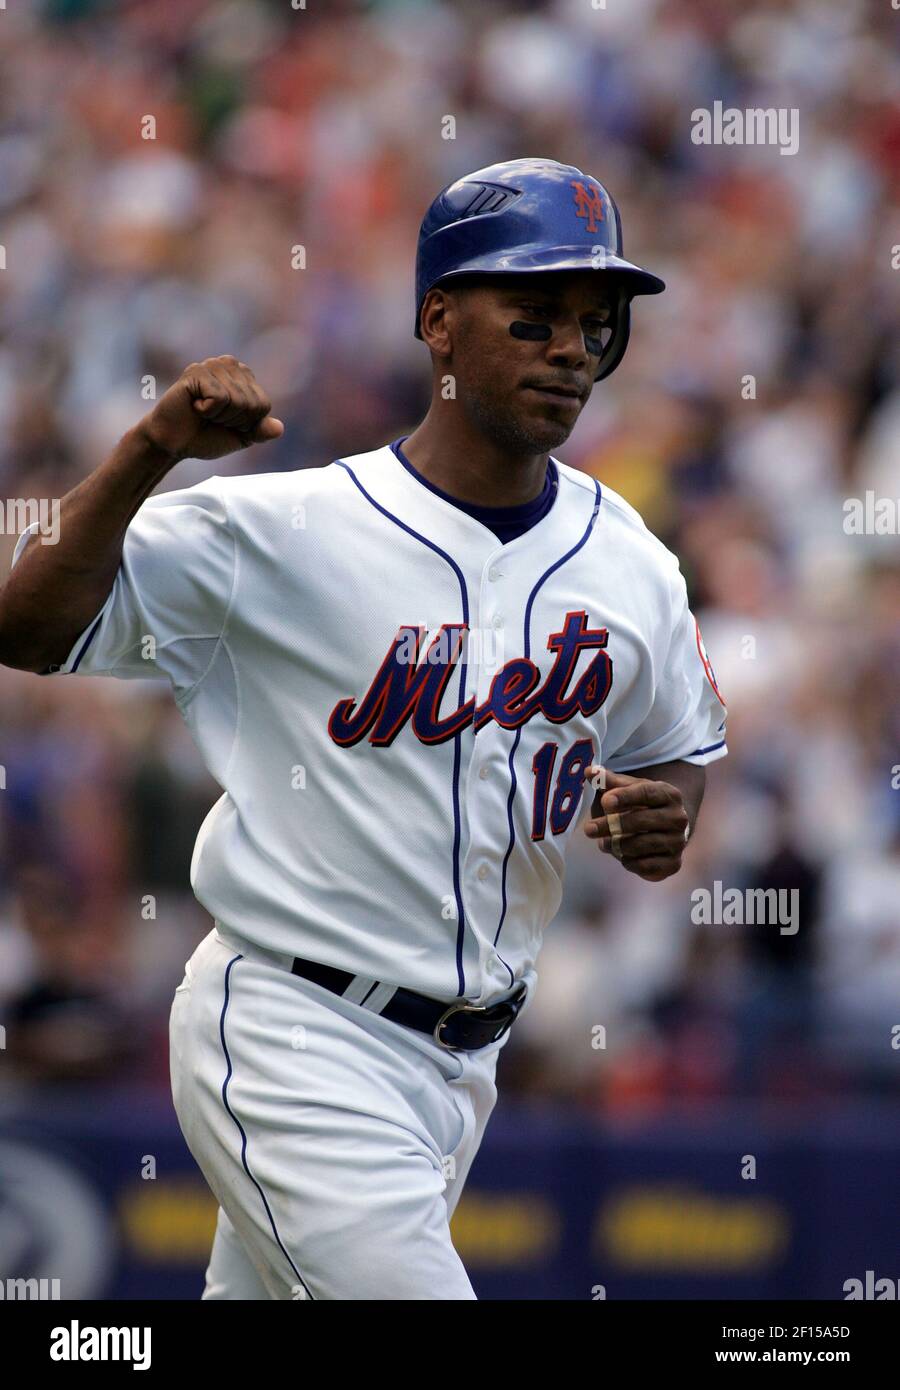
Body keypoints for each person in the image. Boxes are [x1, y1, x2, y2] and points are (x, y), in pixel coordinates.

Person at [0, 158, 726, 1299]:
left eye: (596, 324)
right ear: (438, 321)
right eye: (532, 316)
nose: (570, 349)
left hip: (465, 1067)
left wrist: (665, 816)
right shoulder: (287, 529)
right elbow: (25, 625)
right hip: (295, 1029)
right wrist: (147, 450)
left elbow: (676, 750)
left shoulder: (628, 558)